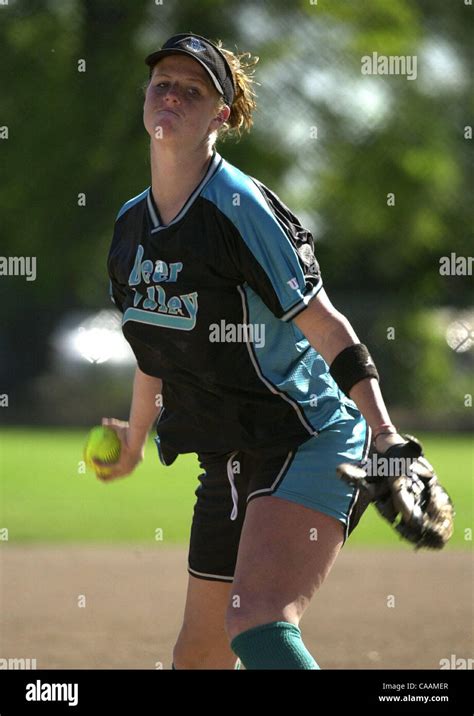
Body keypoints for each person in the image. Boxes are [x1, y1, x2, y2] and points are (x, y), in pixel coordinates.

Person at [99, 32, 407, 670]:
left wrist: (384, 433)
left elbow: (327, 326)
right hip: (228, 455)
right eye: (163, 84)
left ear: (223, 114)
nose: (173, 95)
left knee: (258, 621)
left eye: (194, 89)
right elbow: (154, 348)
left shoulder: (239, 208)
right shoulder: (131, 227)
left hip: (308, 438)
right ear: (144, 98)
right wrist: (134, 439)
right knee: (199, 656)